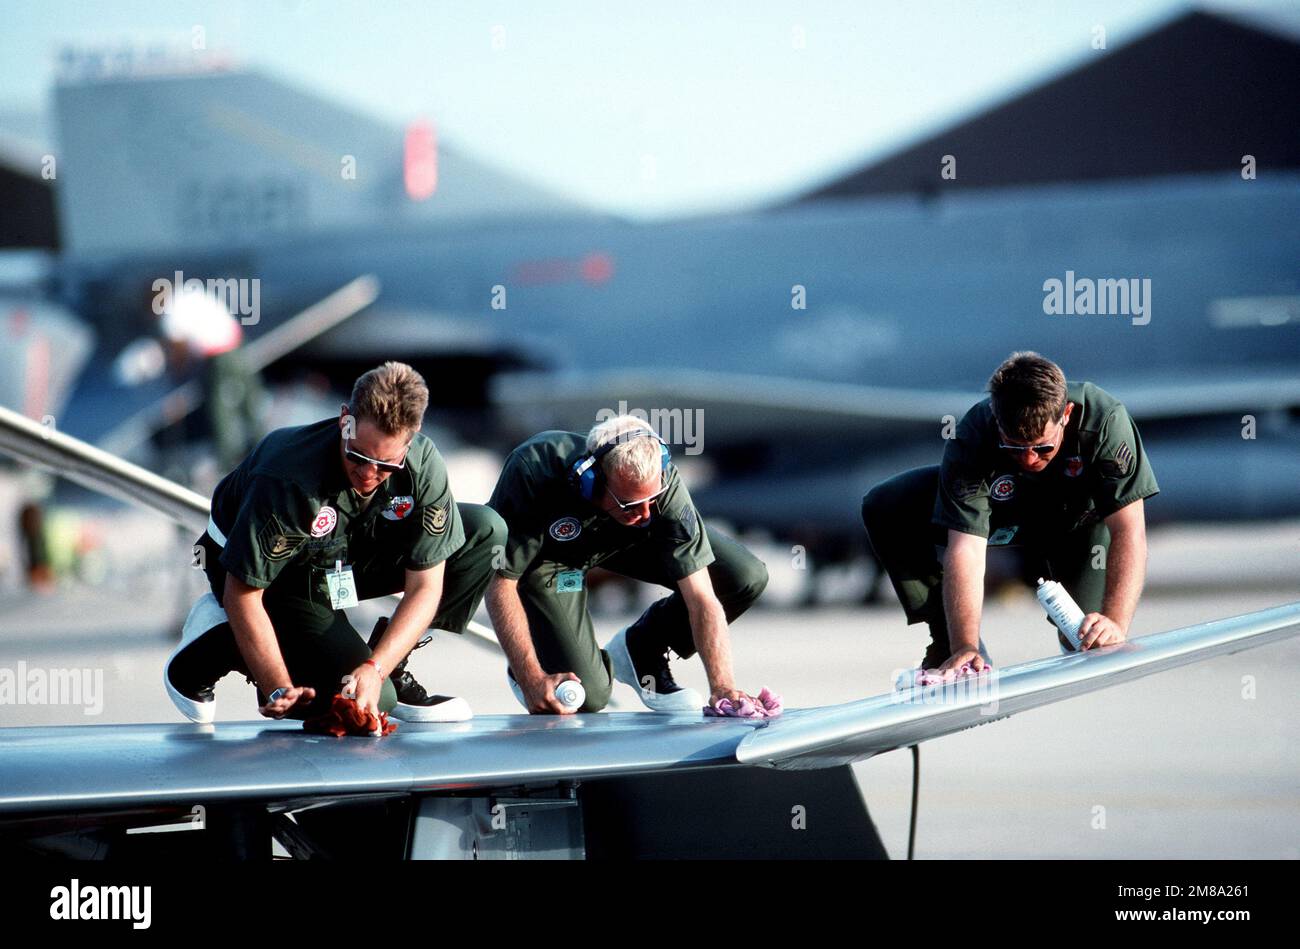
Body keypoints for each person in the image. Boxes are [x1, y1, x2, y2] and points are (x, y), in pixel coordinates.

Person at [164, 361, 504, 725]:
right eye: (358, 455)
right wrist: (279, 688)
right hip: (273, 575)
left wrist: (375, 667)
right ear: (346, 420)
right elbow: (243, 594)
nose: (369, 473)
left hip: (344, 556)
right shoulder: (290, 475)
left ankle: (388, 670)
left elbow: (425, 586)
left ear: (411, 438)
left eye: (386, 464)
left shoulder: (423, 462)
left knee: (484, 531)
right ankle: (216, 642)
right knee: (362, 706)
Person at [862, 351, 1159, 673]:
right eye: (1015, 447)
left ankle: (1090, 624)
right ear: (995, 417)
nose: (1030, 459)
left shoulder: (1105, 420)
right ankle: (948, 642)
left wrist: (1114, 620)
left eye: (1043, 447)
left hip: (1079, 525)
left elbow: (1129, 529)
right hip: (1008, 513)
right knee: (886, 503)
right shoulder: (974, 434)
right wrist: (965, 644)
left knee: (1087, 642)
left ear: (1067, 415)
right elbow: (966, 550)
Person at [485, 415, 769, 714]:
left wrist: (722, 688)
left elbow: (701, 597)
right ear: (592, 481)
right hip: (551, 561)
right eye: (629, 503)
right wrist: (531, 676)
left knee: (743, 577)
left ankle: (641, 648)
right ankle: (535, 661)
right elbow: (500, 582)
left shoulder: (660, 488)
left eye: (653, 499)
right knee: (587, 696)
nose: (646, 512)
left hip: (629, 541)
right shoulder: (534, 468)